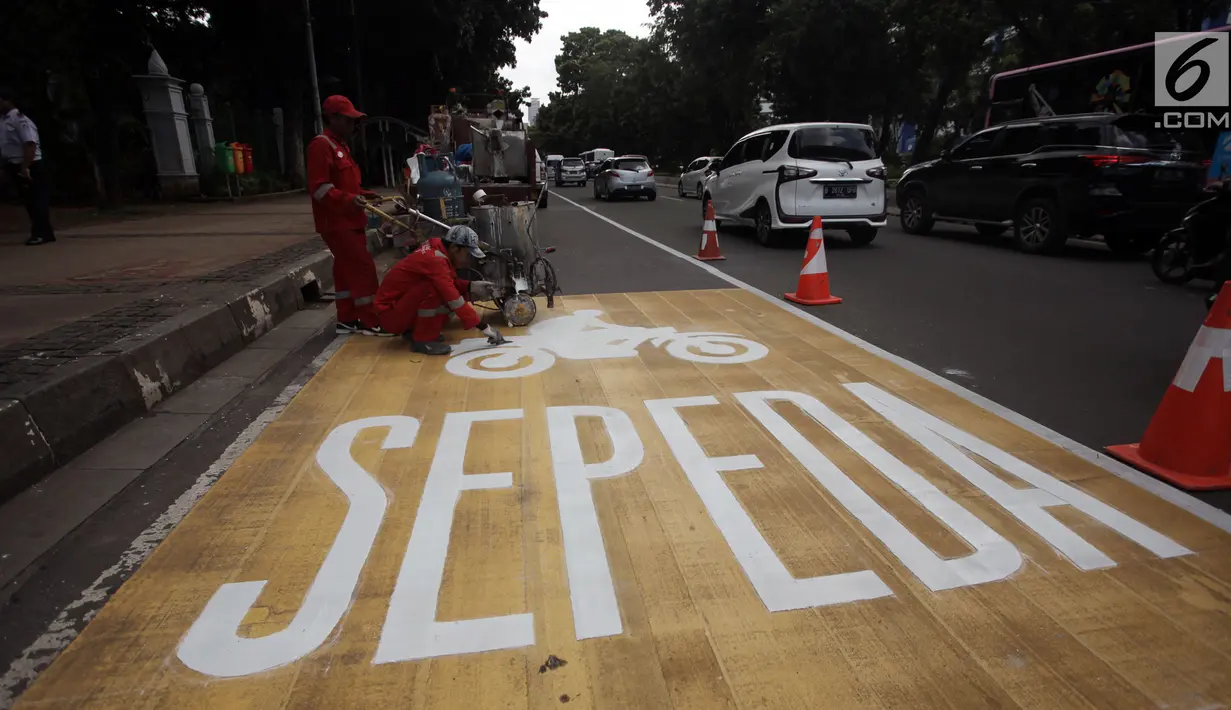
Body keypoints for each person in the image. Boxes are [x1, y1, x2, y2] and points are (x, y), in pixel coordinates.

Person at [307, 94, 390, 336]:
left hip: (350, 219)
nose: (353, 125)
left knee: (345, 271)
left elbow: (345, 185)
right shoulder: (321, 145)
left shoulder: (340, 146)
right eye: (348, 120)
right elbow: (320, 189)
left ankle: (347, 318)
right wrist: (349, 199)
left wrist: (364, 194)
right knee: (362, 269)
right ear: (332, 118)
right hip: (336, 222)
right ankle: (370, 320)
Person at [374, 225, 504, 355]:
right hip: (390, 316)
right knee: (436, 290)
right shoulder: (436, 261)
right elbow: (452, 296)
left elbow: (447, 282)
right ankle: (423, 340)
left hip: (397, 308)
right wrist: (484, 327)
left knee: (441, 290)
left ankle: (415, 331)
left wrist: (470, 286)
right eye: (467, 254)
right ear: (454, 248)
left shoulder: (436, 249)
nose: (468, 260)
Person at [0, 87, 55, 246]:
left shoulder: (20, 119)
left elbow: (30, 144)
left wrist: (25, 167)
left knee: (37, 200)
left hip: (31, 164)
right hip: (13, 163)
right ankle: (45, 232)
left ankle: (40, 233)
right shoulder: (3, 121)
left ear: (7, 101)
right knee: (29, 201)